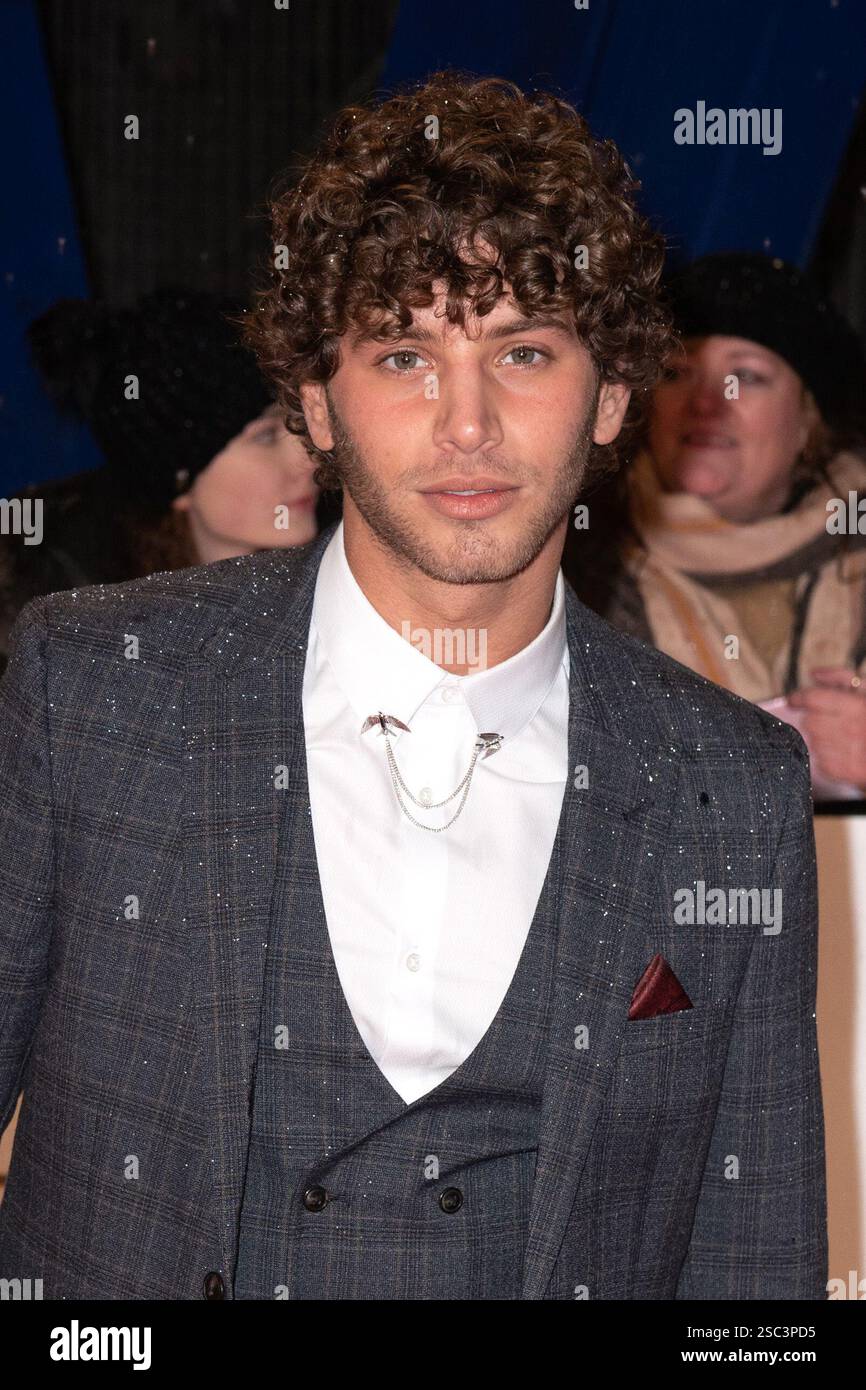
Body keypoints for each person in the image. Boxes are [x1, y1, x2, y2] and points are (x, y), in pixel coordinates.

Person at [0, 72, 826, 1300]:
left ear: (608, 398)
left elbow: (750, 1267)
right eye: (404, 352)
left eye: (524, 350)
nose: (468, 424)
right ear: (318, 401)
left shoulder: (734, 789)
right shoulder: (97, 691)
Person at [563, 252, 866, 799]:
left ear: (808, 422)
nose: (708, 402)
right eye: (678, 373)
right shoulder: (573, 566)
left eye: (745, 376)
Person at [0, 287, 323, 675]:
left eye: (301, 423)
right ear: (179, 481)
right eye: (265, 436)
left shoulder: (337, 580)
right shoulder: (72, 643)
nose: (310, 456)